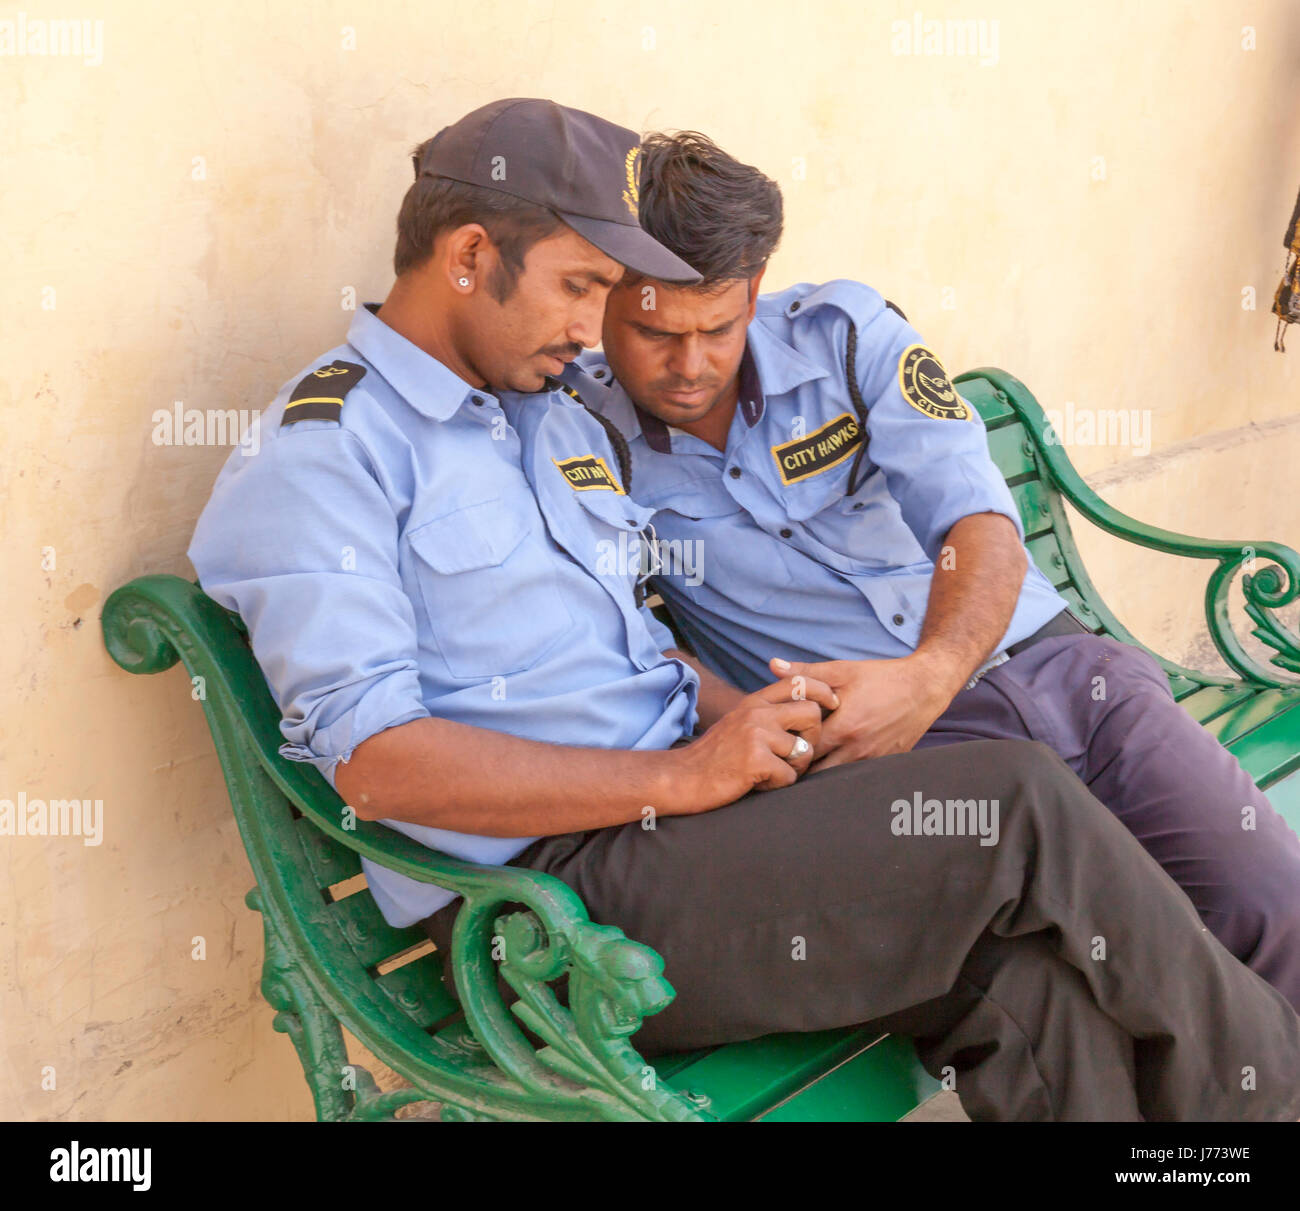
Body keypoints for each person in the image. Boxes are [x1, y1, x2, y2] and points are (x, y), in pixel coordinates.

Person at [187, 99, 1300, 1120]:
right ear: (472, 257)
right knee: (1012, 809)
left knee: (1022, 979)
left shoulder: (537, 415)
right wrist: (679, 775)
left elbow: (644, 657)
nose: (595, 328)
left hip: (694, 831)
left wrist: (765, 727)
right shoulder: (328, 452)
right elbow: (377, 762)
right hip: (547, 900)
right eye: (583, 287)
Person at [570, 130, 1300, 1014]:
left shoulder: (845, 336)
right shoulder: (578, 437)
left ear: (756, 290)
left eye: (717, 329)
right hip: (890, 753)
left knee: (1268, 902)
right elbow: (628, 648)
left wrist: (930, 673)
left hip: (1061, 676)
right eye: (655, 332)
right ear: (606, 297)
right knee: (1106, 979)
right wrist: (782, 728)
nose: (689, 365)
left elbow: (977, 519)